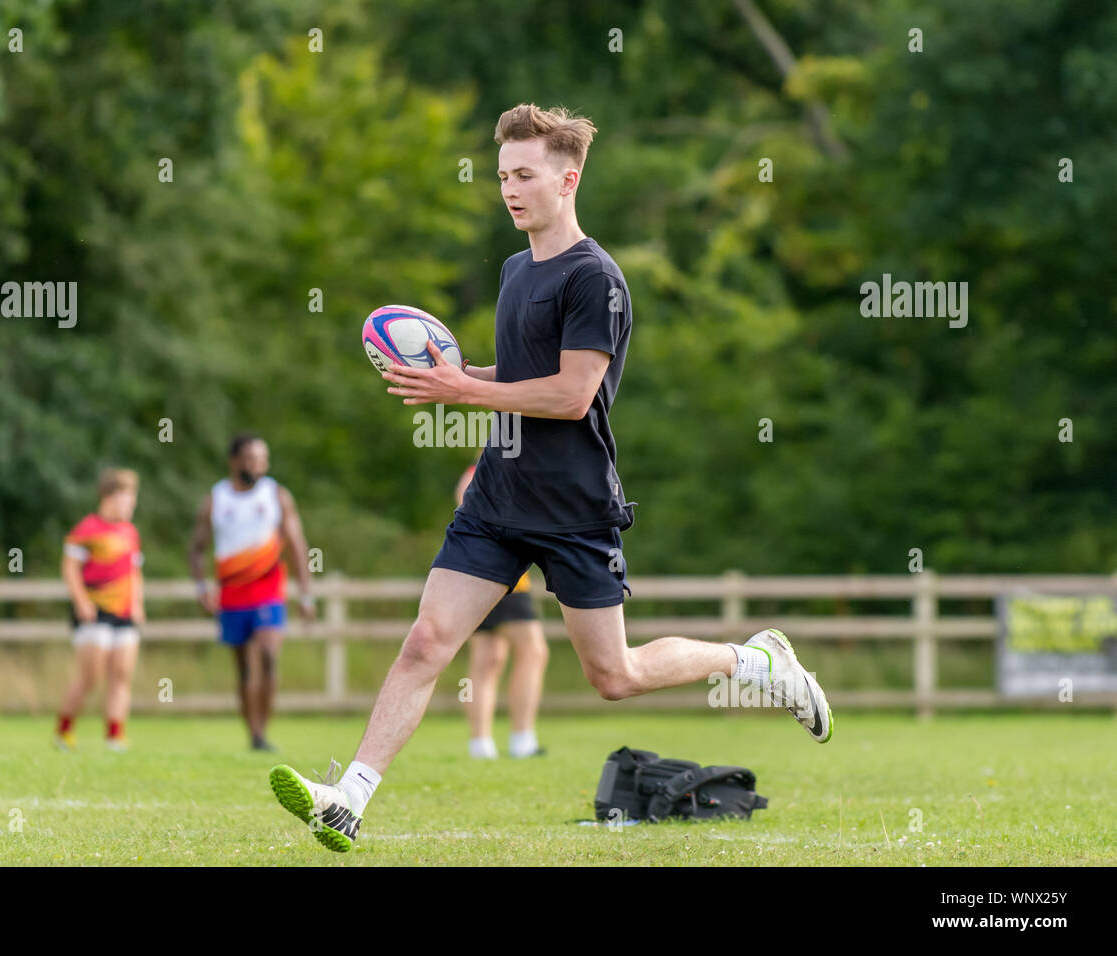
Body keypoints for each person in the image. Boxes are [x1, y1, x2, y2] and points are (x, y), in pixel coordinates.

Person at [269, 103, 833, 853]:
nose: (510, 188)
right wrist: (463, 373)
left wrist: (466, 394)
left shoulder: (595, 279)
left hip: (572, 508)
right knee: (427, 641)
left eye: (525, 175)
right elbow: (525, 374)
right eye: (503, 175)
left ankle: (754, 660)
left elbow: (571, 395)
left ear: (568, 180)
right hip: (498, 502)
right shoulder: (513, 269)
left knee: (615, 676)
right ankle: (349, 797)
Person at [189, 433, 316, 751]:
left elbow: (297, 545)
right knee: (245, 666)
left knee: (270, 656)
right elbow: (196, 548)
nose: (258, 465)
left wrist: (305, 594)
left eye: (262, 458)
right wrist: (202, 586)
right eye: (251, 458)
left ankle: (263, 730)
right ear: (234, 461)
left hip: (269, 591)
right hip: (232, 595)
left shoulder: (276, 495)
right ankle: (254, 734)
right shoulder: (216, 500)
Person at [454, 461, 548, 759]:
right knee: (533, 651)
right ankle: (522, 739)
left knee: (488, 658)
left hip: (475, 573)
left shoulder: (484, 473)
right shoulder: (491, 472)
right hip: (503, 577)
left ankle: (480, 744)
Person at [55, 468, 145, 752]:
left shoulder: (130, 533)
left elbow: (134, 572)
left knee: (121, 675)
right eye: (127, 498)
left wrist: (138, 604)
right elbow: (69, 568)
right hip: (94, 612)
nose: (131, 504)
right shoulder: (87, 530)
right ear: (109, 497)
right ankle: (65, 730)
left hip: (124, 613)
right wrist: (81, 602)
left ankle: (115, 735)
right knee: (90, 677)